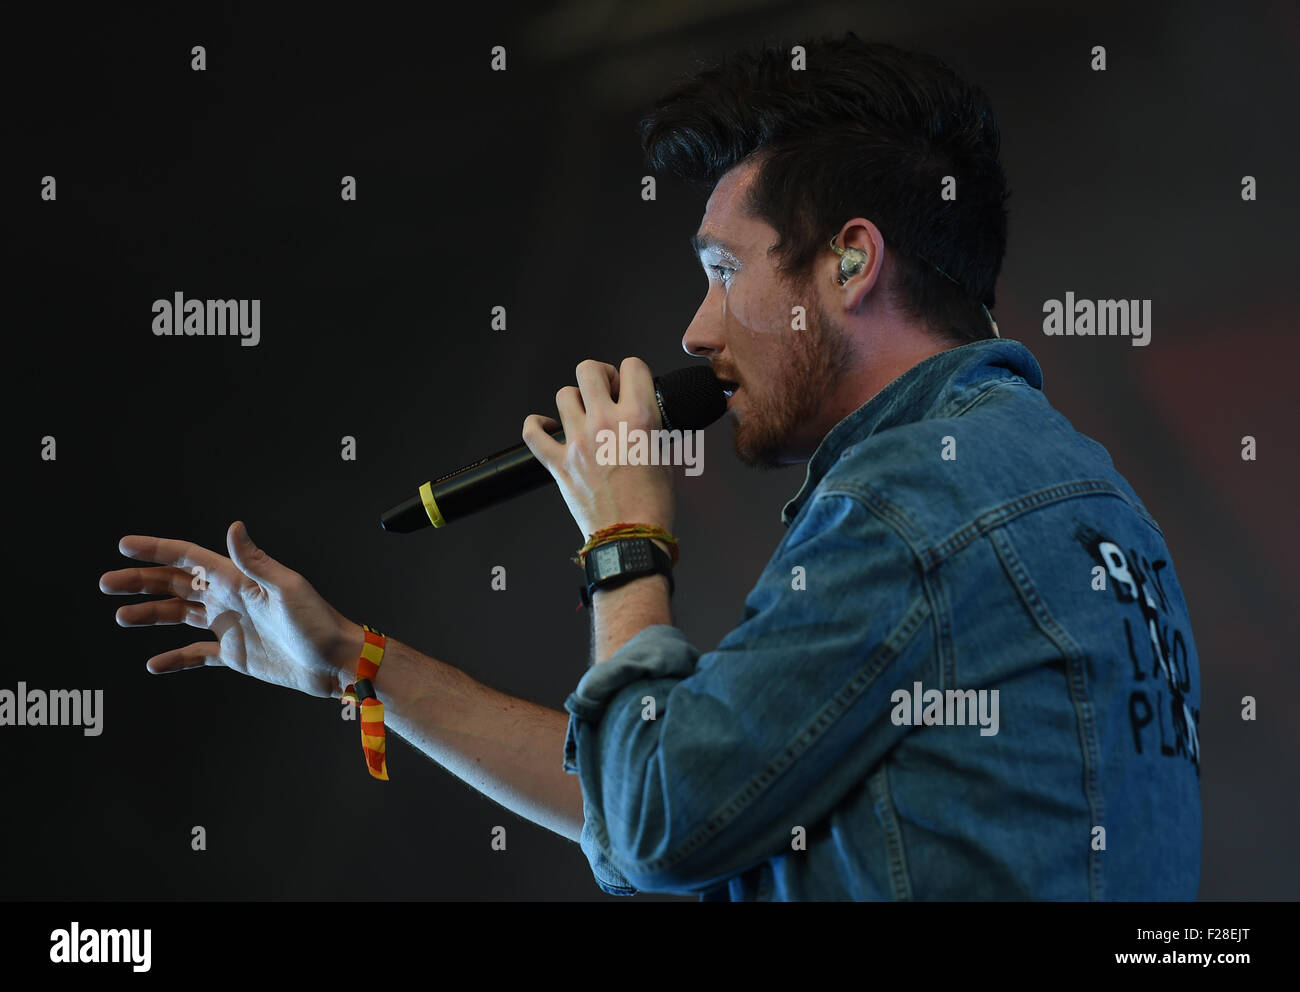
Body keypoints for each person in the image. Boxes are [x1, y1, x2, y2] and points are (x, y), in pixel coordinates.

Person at [99, 34, 1201, 900]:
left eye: (725, 270)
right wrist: (355, 662)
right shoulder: (1084, 495)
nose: (697, 327)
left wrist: (623, 534)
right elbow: (664, 784)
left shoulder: (911, 502)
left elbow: (662, 821)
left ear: (851, 260)